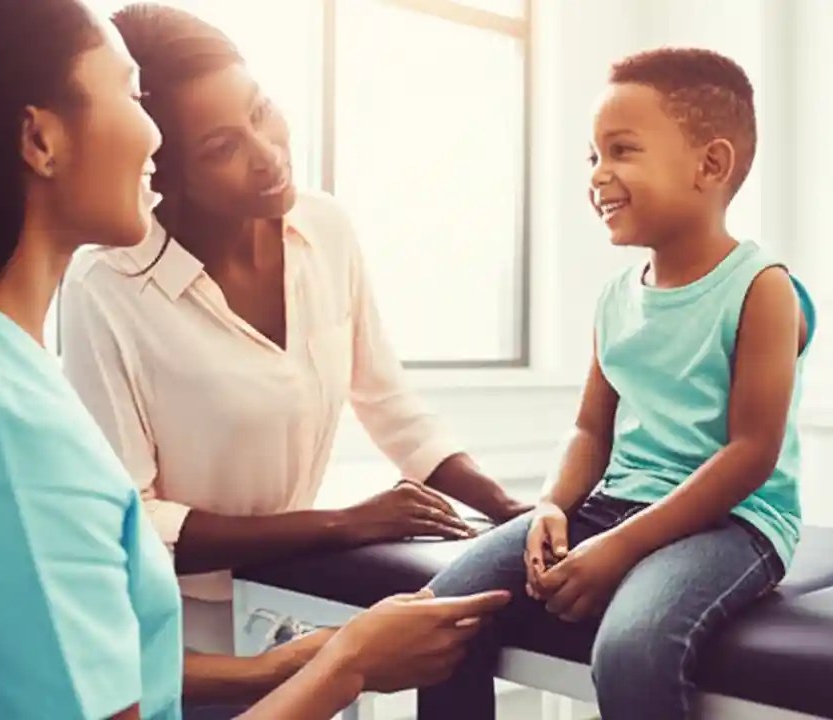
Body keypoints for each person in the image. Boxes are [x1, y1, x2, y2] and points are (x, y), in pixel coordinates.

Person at [0, 1, 507, 718]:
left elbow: (93, 669)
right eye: (128, 92)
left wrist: (284, 665)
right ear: (40, 138)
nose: (152, 135)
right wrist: (348, 665)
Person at [58, 2, 530, 655]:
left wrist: (512, 514)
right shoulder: (106, 287)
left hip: (290, 599)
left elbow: (390, 405)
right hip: (174, 629)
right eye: (222, 147)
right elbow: (136, 520)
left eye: (261, 111)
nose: (267, 154)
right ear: (162, 173)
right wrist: (342, 524)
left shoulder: (324, 229)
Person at [416, 48, 817, 719]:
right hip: (613, 504)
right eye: (593, 157)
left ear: (710, 165)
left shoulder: (762, 289)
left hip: (734, 525)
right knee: (439, 615)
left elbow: (752, 453)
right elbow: (590, 428)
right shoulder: (614, 297)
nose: (599, 175)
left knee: (632, 648)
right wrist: (551, 505)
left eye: (622, 151)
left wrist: (621, 548)